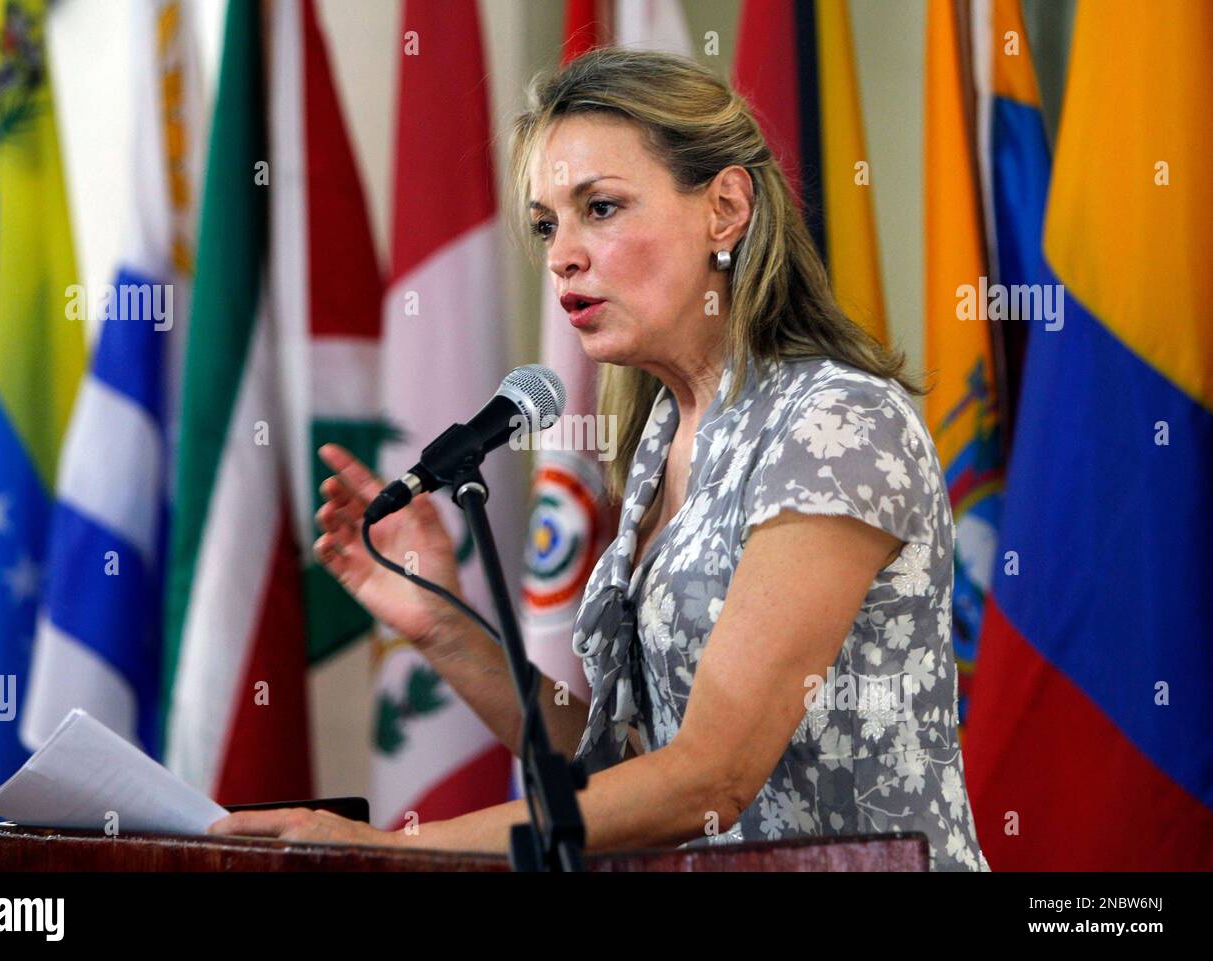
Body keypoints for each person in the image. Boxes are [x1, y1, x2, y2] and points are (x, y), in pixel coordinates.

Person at [208, 47, 988, 872]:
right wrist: (442, 623)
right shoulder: (661, 440)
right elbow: (620, 776)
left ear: (726, 208)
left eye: (602, 209)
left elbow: (708, 778)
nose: (561, 254)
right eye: (548, 223)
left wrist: (390, 851)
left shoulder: (836, 422)